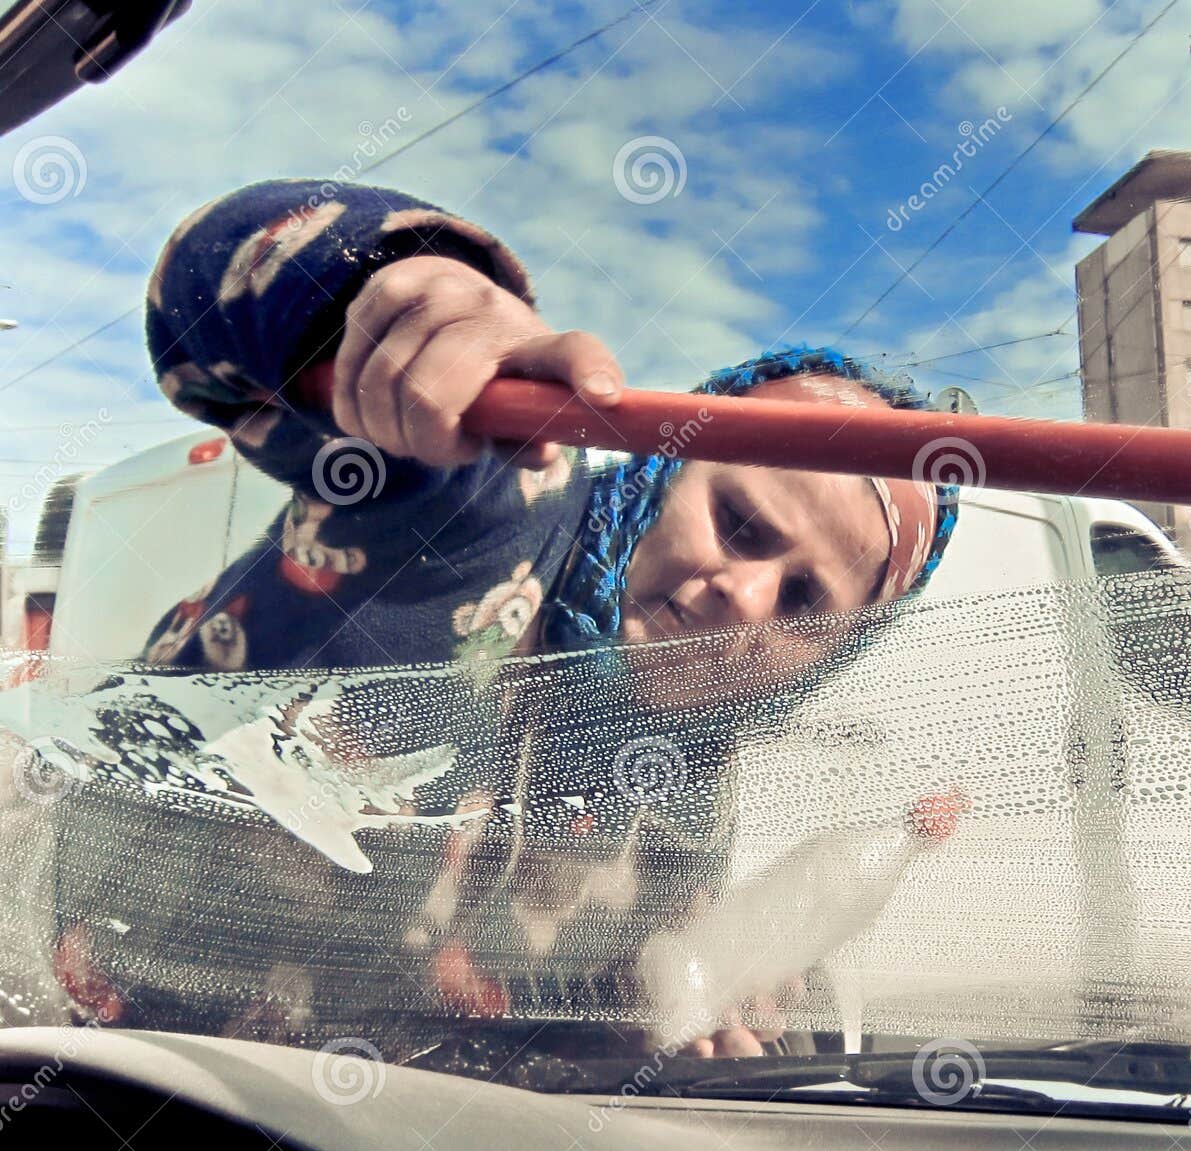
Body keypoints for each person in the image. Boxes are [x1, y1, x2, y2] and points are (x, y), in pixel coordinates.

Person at [55, 179, 961, 1057]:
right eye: (741, 524)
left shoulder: (693, 774)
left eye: (807, 603)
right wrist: (393, 291)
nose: (747, 596)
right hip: (124, 1096)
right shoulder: (484, 501)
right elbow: (201, 316)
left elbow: (607, 993)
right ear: (662, 469)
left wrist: (690, 1005)